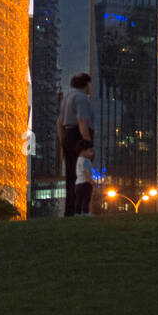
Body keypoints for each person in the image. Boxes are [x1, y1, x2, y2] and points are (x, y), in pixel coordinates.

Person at [57, 73, 94, 217]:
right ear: (86, 84)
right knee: (82, 175)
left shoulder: (66, 98)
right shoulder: (82, 98)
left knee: (71, 175)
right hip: (78, 136)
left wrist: (62, 142)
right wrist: (88, 144)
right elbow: (82, 121)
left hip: (67, 136)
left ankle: (70, 210)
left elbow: (58, 123)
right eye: (90, 84)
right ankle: (81, 210)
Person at [75, 140, 95, 216]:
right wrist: (91, 181)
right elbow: (85, 172)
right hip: (85, 183)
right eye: (90, 151)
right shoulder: (85, 160)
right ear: (83, 150)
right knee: (86, 198)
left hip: (78, 183)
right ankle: (85, 212)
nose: (92, 153)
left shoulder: (78, 160)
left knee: (79, 199)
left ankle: (77, 213)